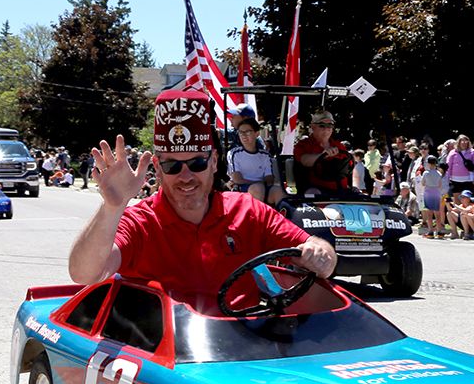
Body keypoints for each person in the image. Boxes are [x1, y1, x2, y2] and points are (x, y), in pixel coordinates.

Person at [68, 89, 335, 310]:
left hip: (243, 350)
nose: (185, 176)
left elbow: (320, 254)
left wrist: (321, 253)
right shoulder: (139, 222)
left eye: (196, 163)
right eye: (172, 166)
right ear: (158, 170)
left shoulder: (248, 211)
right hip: (165, 359)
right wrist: (112, 207)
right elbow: (84, 273)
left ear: (214, 162)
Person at [293, 110, 352, 195]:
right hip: (316, 190)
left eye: (330, 125)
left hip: (341, 190)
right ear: (313, 127)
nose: (327, 129)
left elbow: (349, 166)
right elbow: (305, 160)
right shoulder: (304, 145)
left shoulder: (339, 145)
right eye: (322, 125)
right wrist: (322, 155)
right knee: (313, 193)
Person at [228, 117, 283, 205]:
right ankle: (257, 218)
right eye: (241, 132)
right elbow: (237, 179)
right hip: (243, 190)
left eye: (247, 132)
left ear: (256, 134)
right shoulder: (234, 153)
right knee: (258, 188)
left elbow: (269, 179)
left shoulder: (265, 155)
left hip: (263, 188)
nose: (243, 135)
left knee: (278, 191)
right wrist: (259, 184)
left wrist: (262, 185)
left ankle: (282, 216)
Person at [419, 155, 445, 238]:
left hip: (428, 192)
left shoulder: (426, 173)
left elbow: (422, 183)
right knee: (437, 213)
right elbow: (440, 185)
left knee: (429, 213)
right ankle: (439, 231)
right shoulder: (439, 173)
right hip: (436, 192)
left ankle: (430, 231)